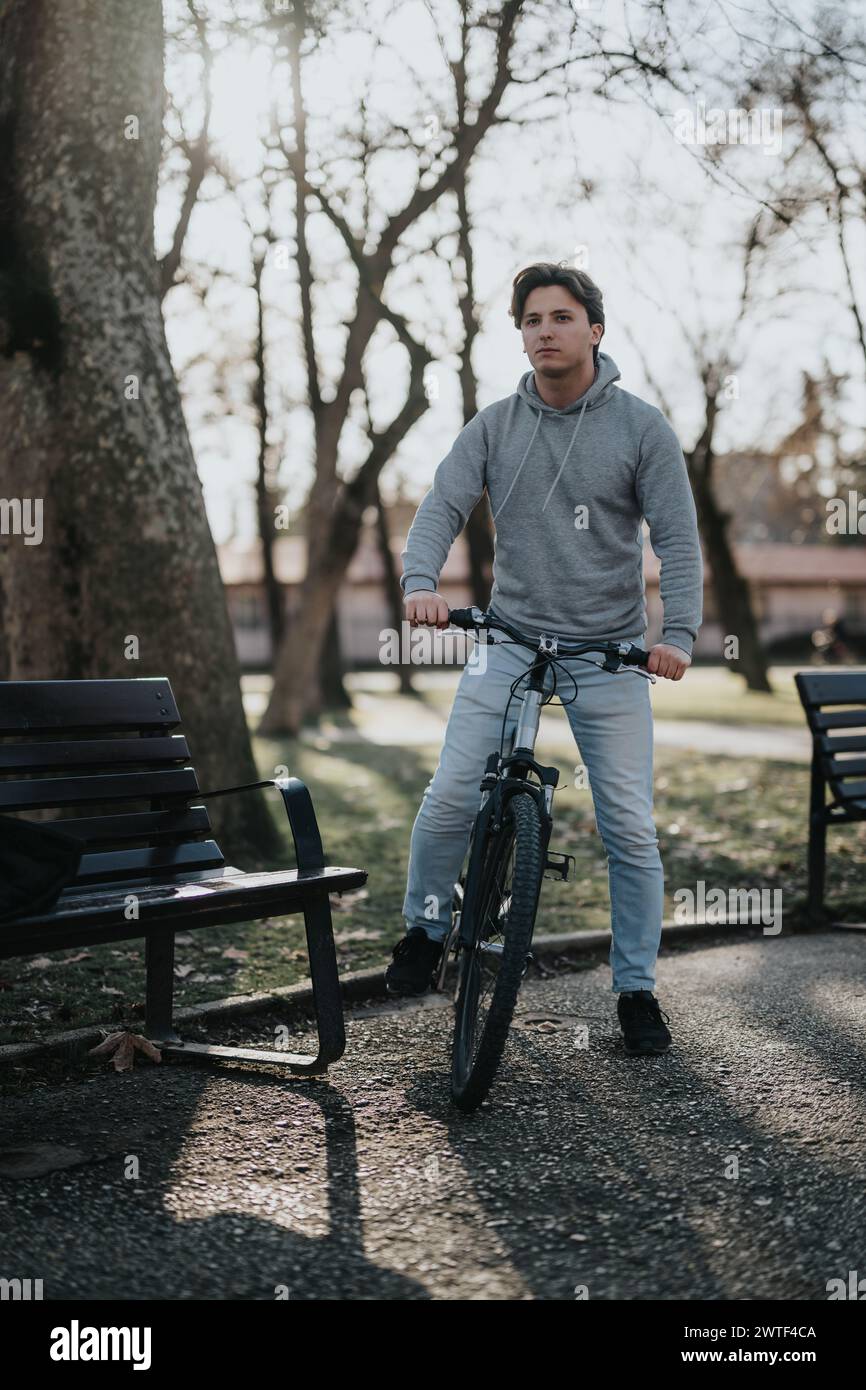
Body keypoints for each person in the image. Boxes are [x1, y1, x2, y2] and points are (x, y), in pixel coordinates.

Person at [385, 260, 703, 1056]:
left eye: (561, 317)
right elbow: (441, 506)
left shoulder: (642, 429)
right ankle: (425, 931)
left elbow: (678, 542)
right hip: (510, 641)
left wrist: (679, 638)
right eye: (531, 320)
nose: (544, 332)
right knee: (452, 793)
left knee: (629, 826)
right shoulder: (494, 425)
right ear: (520, 334)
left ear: (594, 329)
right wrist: (420, 581)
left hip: (612, 655)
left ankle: (635, 989)